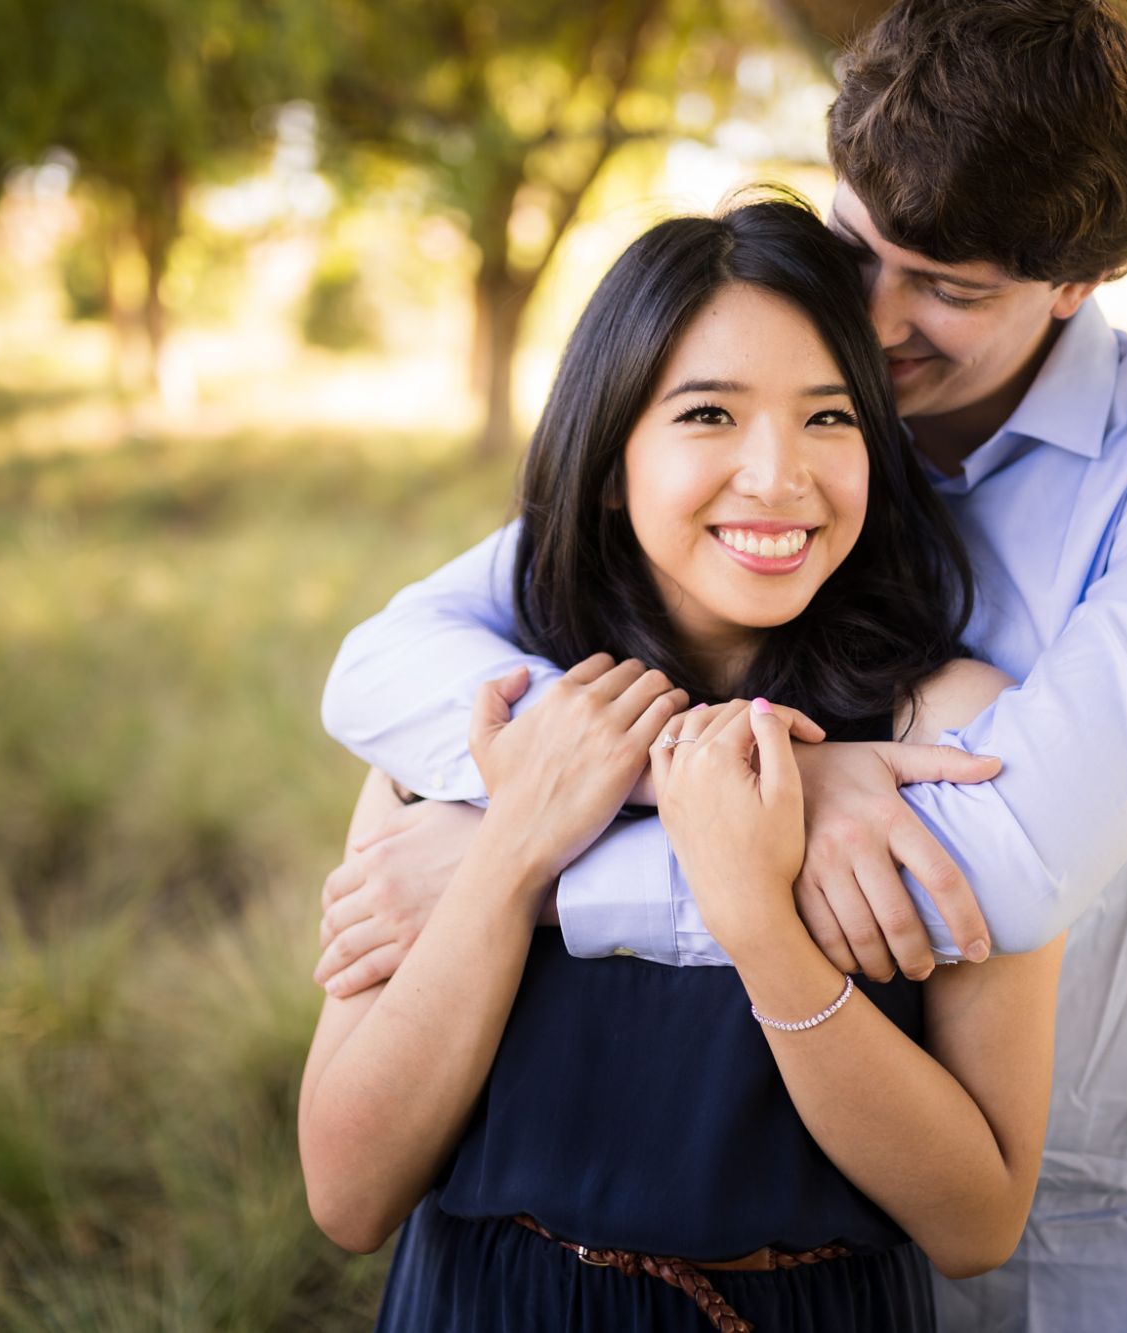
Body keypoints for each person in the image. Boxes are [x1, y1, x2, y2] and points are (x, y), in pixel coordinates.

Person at [316, 3, 1127, 1329]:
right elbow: (383, 663)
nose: (879, 323)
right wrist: (672, 783)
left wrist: (529, 866)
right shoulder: (719, 466)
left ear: (1081, 280)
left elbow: (996, 862)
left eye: (950, 289)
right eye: (859, 249)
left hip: (1059, 1178)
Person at [299, 198, 1069, 1333]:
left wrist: (758, 920)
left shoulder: (951, 737)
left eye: (828, 417)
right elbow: (347, 1193)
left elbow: (976, 1219)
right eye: (708, 413)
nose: (776, 476)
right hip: (487, 1303)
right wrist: (511, 850)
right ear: (611, 459)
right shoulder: (483, 721)